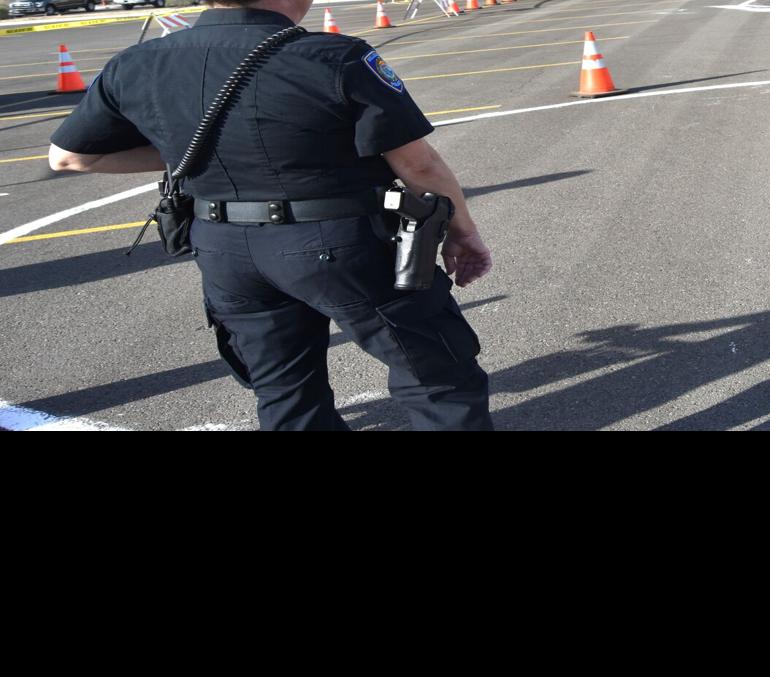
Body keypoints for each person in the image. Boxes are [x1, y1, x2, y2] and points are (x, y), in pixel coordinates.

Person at [47, 0, 495, 431]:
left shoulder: (137, 62)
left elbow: (69, 157)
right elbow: (418, 165)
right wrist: (462, 232)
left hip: (224, 249)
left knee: (285, 390)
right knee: (437, 375)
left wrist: (185, 151)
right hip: (340, 241)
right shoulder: (333, 56)